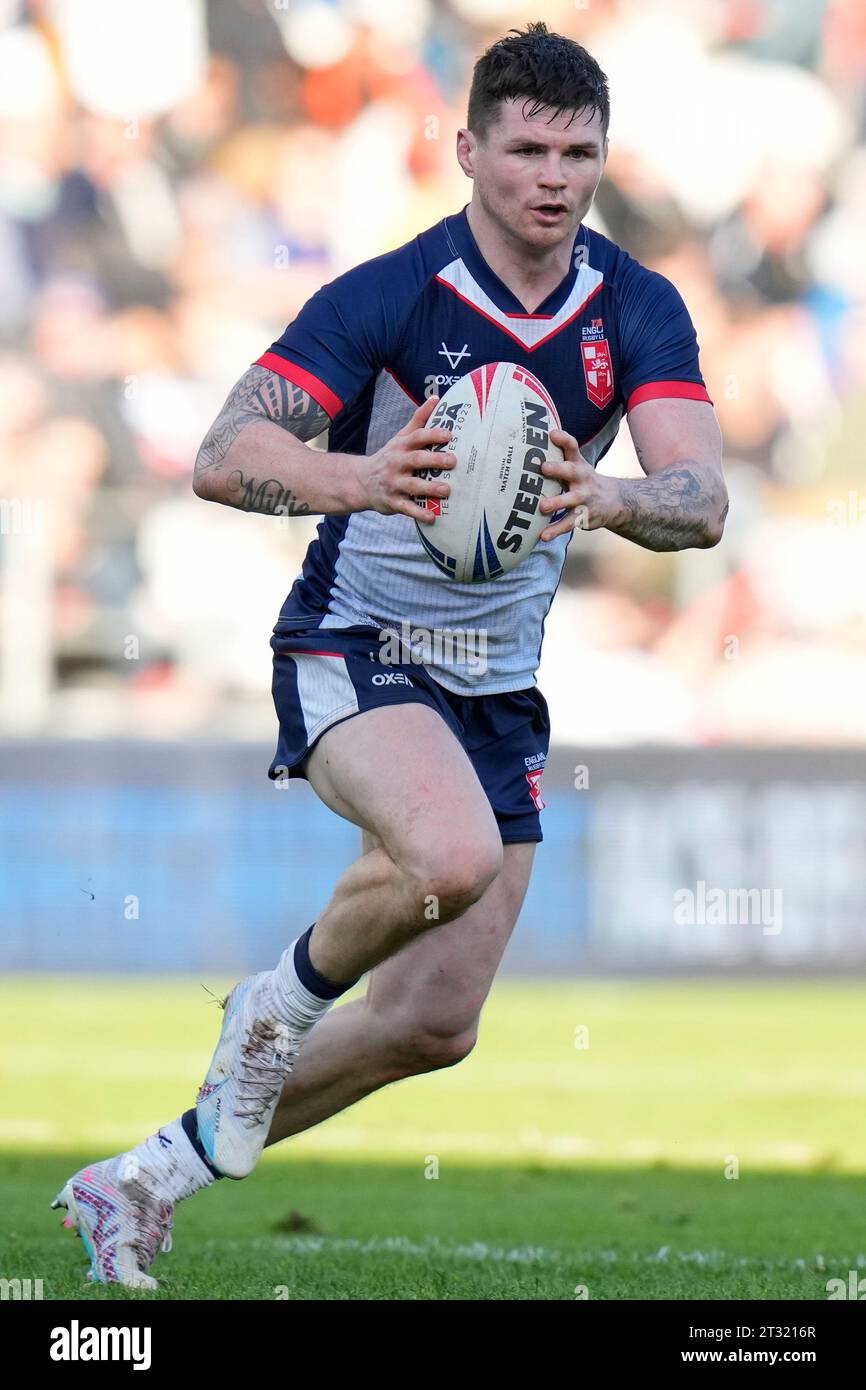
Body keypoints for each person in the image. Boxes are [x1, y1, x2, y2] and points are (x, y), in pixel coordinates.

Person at [51, 22, 727, 1288]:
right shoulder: (389, 294)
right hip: (356, 642)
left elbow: (700, 498)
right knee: (449, 854)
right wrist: (357, 475)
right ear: (466, 148)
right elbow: (225, 453)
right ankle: (279, 1003)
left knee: (429, 1025)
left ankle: (139, 1180)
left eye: (577, 152)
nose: (553, 176)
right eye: (526, 147)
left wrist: (612, 496)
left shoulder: (633, 305)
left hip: (495, 686)